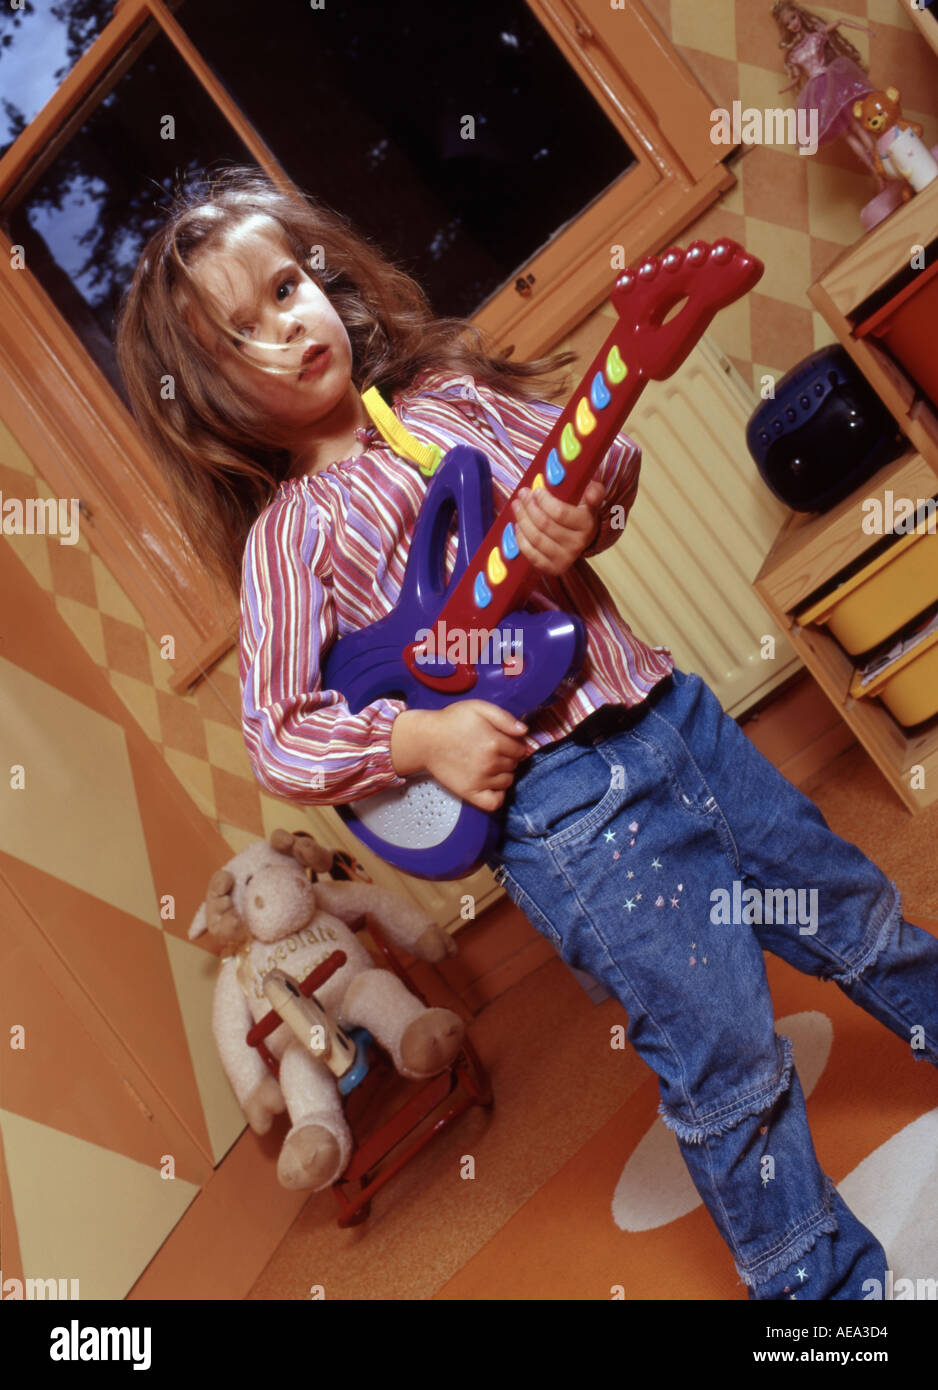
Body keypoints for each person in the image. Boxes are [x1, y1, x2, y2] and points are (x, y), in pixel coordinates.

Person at [115, 165, 938, 1300]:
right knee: (724, 1047)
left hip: (668, 712)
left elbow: (606, 463)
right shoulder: (288, 541)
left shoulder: (452, 397)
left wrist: (583, 507)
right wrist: (421, 744)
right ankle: (820, 1295)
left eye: (289, 286)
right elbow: (277, 732)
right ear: (198, 397)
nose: (286, 326)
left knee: (844, 900)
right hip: (570, 816)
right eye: (236, 336)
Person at [772, 2, 880, 177]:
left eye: (793, 18)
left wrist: (864, 29)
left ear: (799, 14)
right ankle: (875, 171)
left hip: (832, 82)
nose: (793, 24)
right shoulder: (794, 54)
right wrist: (787, 87)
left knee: (856, 126)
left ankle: (880, 162)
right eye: (788, 23)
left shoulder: (816, 37)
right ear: (784, 28)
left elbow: (840, 21)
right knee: (847, 135)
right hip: (818, 93)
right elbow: (797, 77)